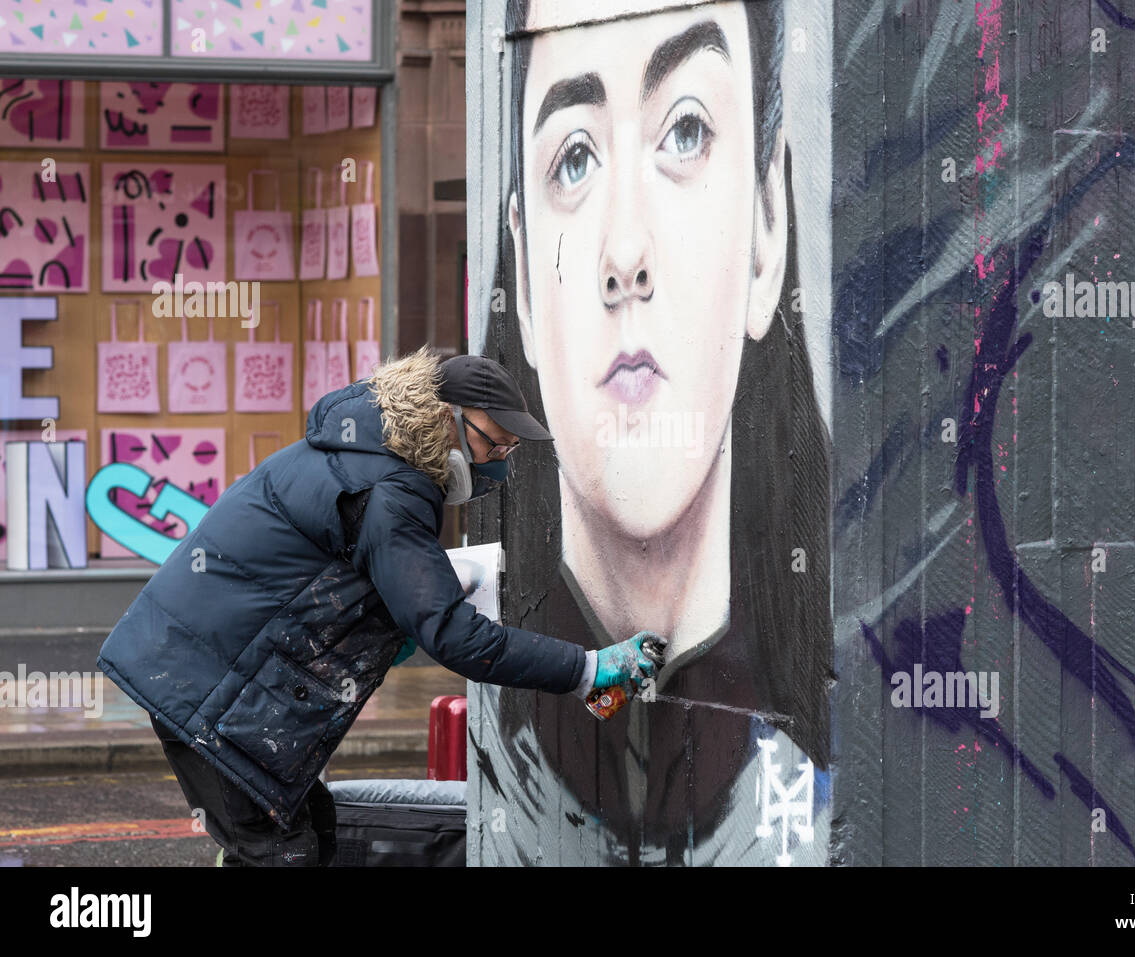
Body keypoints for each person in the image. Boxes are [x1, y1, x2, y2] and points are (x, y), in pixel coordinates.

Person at [483, 0, 832, 862]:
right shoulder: (498, 779)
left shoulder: (833, 788)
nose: (623, 252)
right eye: (574, 156)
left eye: (686, 132)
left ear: (767, 232)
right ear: (525, 282)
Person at [98, 348, 662, 866]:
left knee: (311, 833)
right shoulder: (393, 489)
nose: (498, 463)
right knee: (279, 852)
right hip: (210, 693)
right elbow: (457, 638)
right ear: (447, 419)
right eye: (493, 443)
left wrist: (389, 622)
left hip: (211, 680)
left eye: (510, 449)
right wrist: (587, 669)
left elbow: (322, 576)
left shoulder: (368, 457)